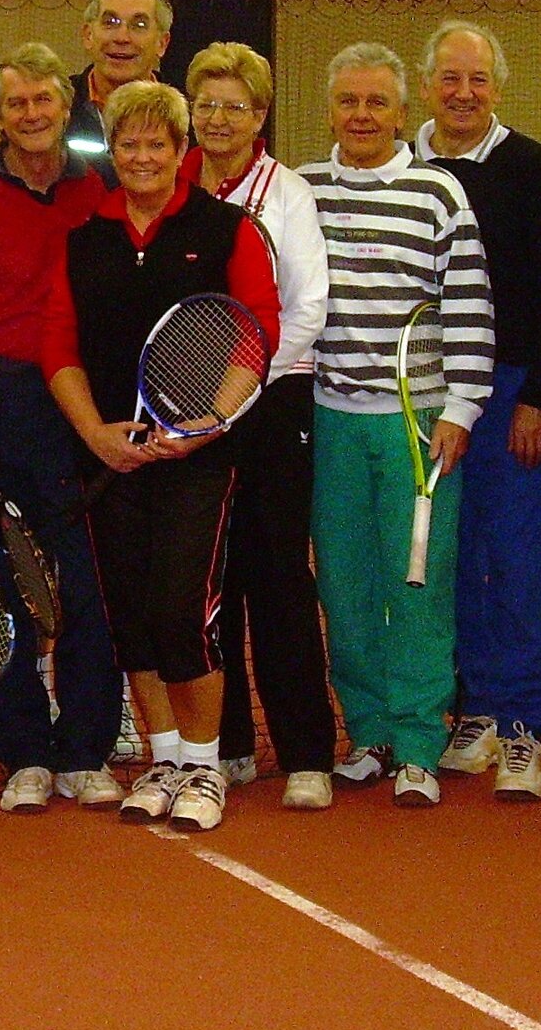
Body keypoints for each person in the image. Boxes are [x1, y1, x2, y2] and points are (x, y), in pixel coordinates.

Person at [42, 80, 280, 833]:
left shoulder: (226, 229)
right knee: (132, 619)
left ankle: (204, 768)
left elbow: (256, 331)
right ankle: (168, 758)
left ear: (183, 151)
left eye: (157, 144)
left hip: (197, 459)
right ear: (112, 153)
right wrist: (96, 435)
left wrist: (209, 422)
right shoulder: (83, 239)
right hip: (111, 458)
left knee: (184, 611)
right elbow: (58, 347)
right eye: (129, 144)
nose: (142, 157)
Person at [297, 43, 494, 807]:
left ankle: (418, 741)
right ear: (331, 110)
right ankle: (370, 730)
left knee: (416, 588)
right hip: (329, 424)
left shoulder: (438, 193)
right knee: (344, 587)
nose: (362, 115)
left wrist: (461, 409)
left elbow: (469, 309)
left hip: (415, 432)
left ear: (403, 112)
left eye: (377, 102)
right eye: (348, 101)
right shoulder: (302, 188)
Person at [0, 42, 124, 813]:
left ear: (64, 104)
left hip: (83, 402)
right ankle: (23, 755)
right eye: (17, 103)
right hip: (4, 400)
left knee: (89, 582)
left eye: (44, 100)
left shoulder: (104, 180)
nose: (33, 114)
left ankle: (85, 749)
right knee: (4, 578)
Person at [412, 21, 541, 801]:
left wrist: (537, 393)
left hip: (509, 392)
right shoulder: (401, 166)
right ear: (427, 84)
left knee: (519, 559)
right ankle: (471, 708)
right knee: (444, 559)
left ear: (497, 89)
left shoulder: (533, 168)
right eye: (449, 78)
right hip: (418, 394)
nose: (463, 93)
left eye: (477, 80)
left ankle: (524, 723)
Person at [180, 42, 335, 810]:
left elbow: (307, 309)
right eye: (205, 105)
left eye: (233, 106)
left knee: (277, 576)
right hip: (191, 413)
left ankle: (306, 752)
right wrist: (195, 399)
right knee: (211, 578)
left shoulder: (289, 193)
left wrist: (239, 389)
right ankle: (231, 744)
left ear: (261, 115)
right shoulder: (172, 185)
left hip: (271, 406)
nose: (217, 119)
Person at [64, 0, 167, 176]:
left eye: (139, 25)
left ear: (162, 43)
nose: (122, 37)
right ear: (88, 35)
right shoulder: (54, 108)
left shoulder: (186, 118)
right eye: (110, 22)